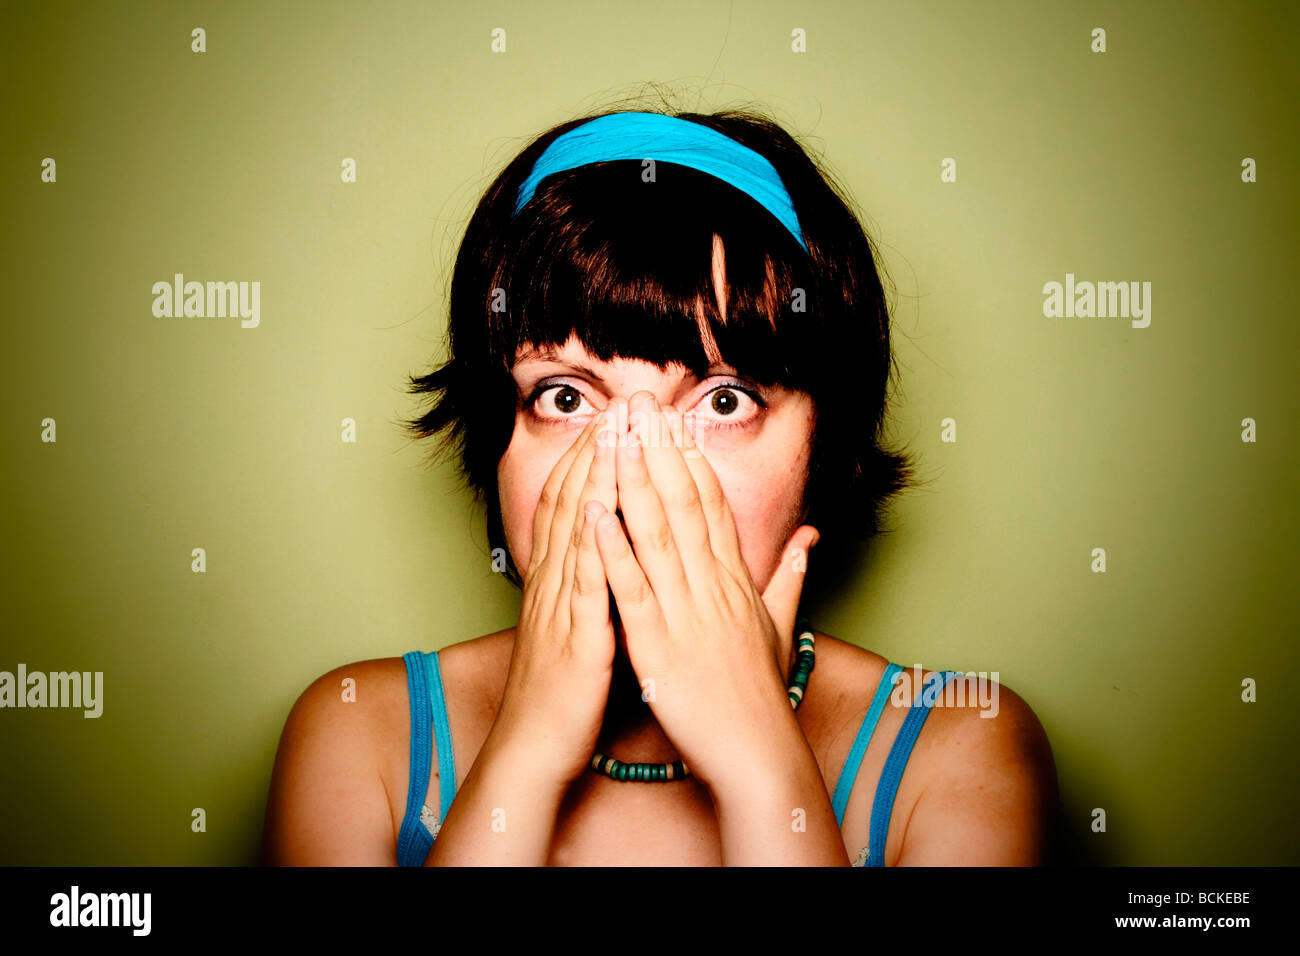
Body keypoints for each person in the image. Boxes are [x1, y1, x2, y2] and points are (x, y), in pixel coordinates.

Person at [261, 107, 1058, 866]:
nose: (634, 466)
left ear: (824, 451)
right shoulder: (360, 734)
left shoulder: (957, 747)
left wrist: (757, 761)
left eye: (723, 401)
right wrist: (530, 746)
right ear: (495, 441)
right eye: (565, 397)